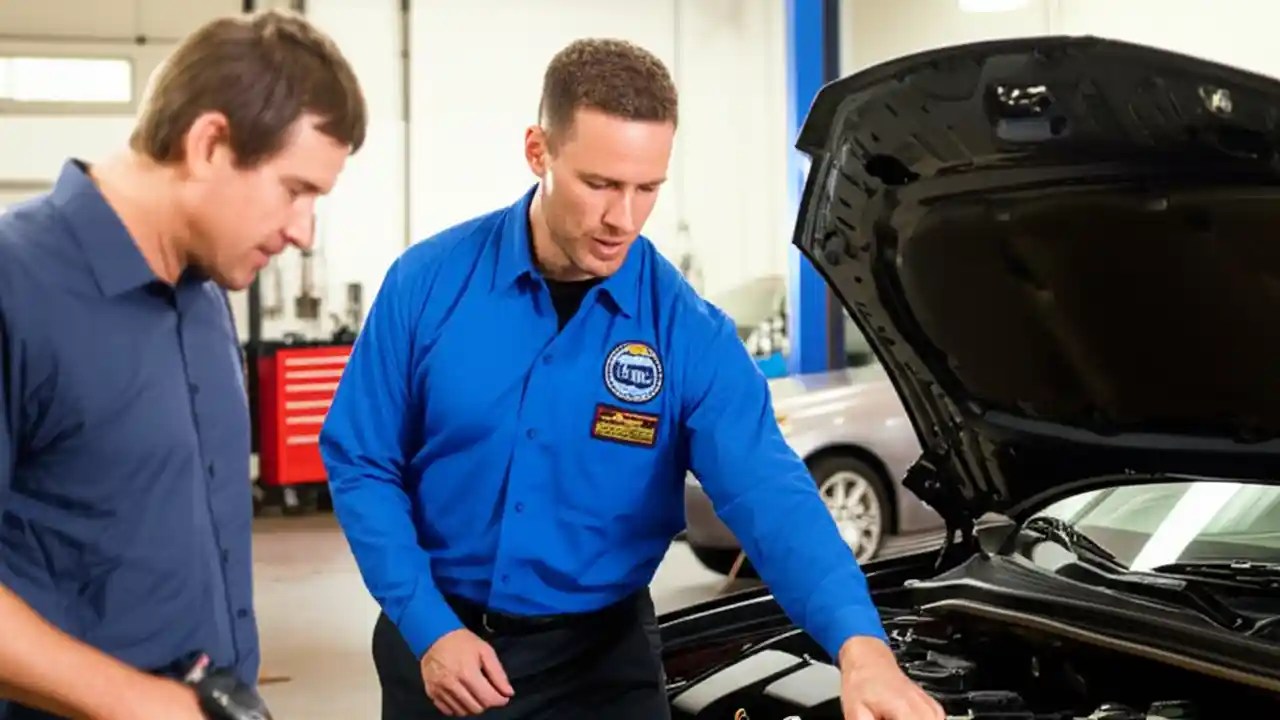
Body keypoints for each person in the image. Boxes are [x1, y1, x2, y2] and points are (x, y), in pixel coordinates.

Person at [320, 38, 943, 720]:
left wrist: (862, 648)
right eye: (600, 184)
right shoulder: (427, 285)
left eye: (648, 188)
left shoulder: (687, 333)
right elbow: (361, 463)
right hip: (439, 653)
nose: (624, 218)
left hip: (602, 669)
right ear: (538, 152)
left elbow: (770, 491)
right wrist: (427, 625)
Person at [0, 9, 365, 720]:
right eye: (296, 190)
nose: (301, 231)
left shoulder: (205, 292)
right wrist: (144, 705)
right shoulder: (15, 285)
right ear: (209, 144)